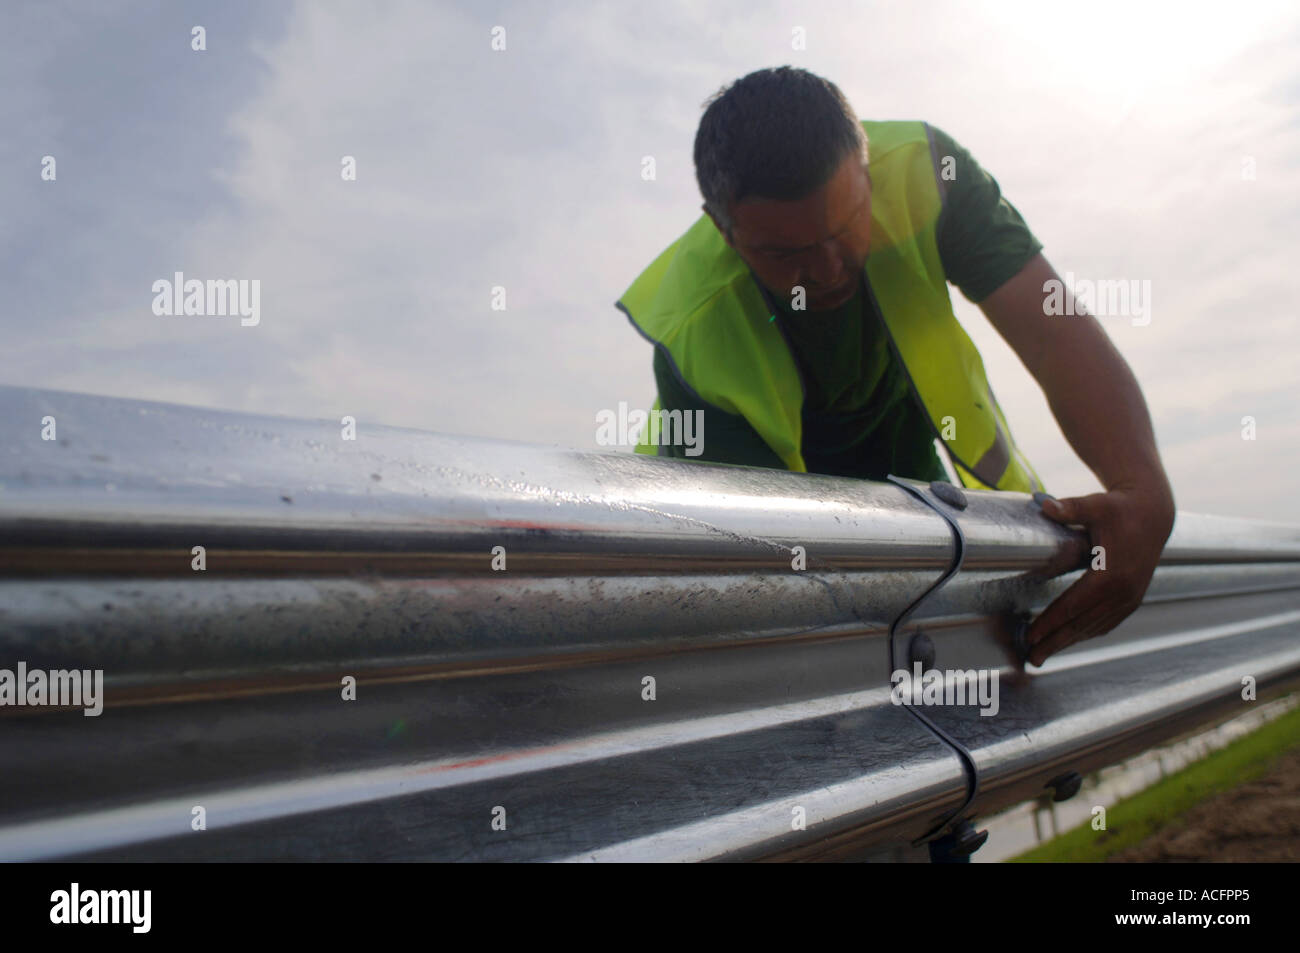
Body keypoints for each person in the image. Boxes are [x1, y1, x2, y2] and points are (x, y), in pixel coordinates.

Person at [616, 66, 1175, 667]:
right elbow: (760, 573)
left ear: (866, 168)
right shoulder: (691, 329)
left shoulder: (927, 174)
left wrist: (1143, 492)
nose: (828, 269)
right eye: (784, 254)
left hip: (903, 460)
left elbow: (1051, 333)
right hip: (758, 497)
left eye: (845, 225)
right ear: (722, 228)